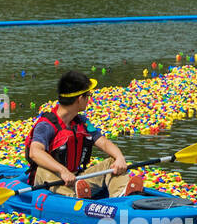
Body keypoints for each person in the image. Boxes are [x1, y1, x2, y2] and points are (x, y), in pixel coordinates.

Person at [25, 70, 144, 199]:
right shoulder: (46, 125)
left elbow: (103, 142)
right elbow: (35, 152)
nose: (89, 99)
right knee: (42, 171)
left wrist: (120, 158)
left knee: (112, 161)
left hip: (77, 179)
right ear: (80, 99)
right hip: (53, 181)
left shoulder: (81, 122)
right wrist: (62, 171)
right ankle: (75, 198)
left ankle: (121, 195)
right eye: (88, 95)